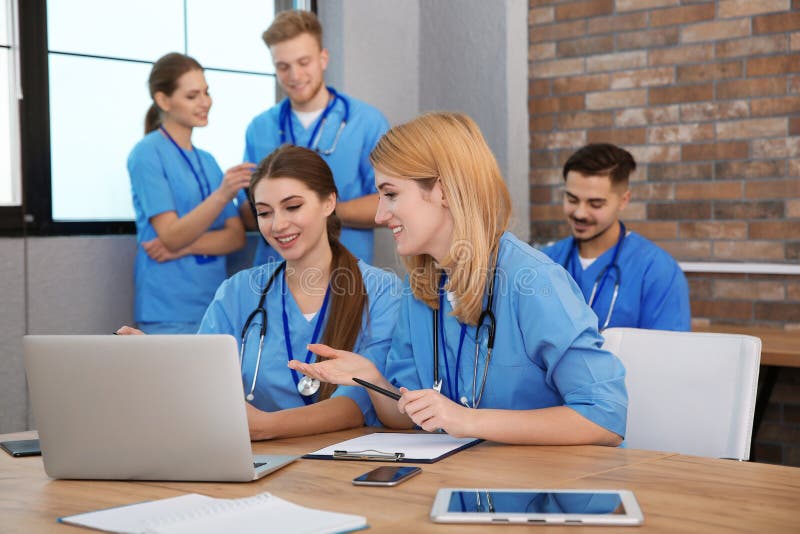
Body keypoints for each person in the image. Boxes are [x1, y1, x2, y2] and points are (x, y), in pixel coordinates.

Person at [289, 112, 627, 446]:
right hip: (464, 485)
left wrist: (467, 420)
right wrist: (370, 378)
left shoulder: (534, 281)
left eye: (390, 194)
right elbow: (405, 416)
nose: (379, 215)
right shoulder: (421, 288)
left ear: (445, 190)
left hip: (543, 492)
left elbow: (604, 418)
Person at [121, 144, 401, 440]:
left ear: (328, 202)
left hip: (342, 465)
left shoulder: (382, 291)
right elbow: (204, 377)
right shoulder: (238, 291)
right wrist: (158, 363)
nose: (278, 225)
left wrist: (264, 426)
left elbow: (357, 403)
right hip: (254, 461)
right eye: (264, 213)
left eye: (293, 207)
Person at [239, 9, 389, 266]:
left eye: (303, 62)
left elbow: (389, 201)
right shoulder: (259, 128)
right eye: (283, 67)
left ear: (323, 58)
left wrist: (320, 210)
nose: (294, 76)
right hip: (275, 273)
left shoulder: (367, 122)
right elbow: (248, 213)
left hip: (345, 273)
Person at [127, 53, 256, 334]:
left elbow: (235, 237)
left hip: (213, 303)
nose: (205, 102)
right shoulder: (146, 154)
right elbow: (170, 235)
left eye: (206, 92)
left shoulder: (208, 160)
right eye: (192, 95)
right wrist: (222, 195)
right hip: (167, 307)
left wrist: (185, 246)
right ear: (163, 100)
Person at [542, 144, 690, 331]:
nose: (580, 213)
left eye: (595, 204)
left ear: (623, 200)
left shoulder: (657, 271)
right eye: (572, 200)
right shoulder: (543, 261)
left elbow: (669, 354)